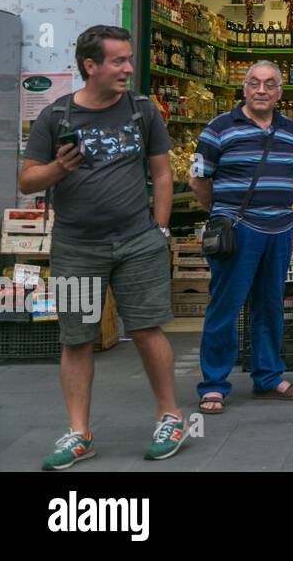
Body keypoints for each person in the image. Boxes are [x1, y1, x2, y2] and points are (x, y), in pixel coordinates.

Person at [20, 25, 188, 469]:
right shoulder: (56, 117)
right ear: (90, 66)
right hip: (78, 248)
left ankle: (170, 416)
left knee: (149, 328)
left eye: (129, 59)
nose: (128, 68)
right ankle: (79, 434)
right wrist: (58, 167)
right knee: (77, 338)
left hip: (138, 242)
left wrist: (160, 230)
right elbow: (26, 180)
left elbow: (163, 174)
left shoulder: (142, 111)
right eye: (118, 61)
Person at [190, 60, 293, 412]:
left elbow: (290, 177)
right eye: (254, 83)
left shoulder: (289, 131)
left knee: (271, 307)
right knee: (225, 307)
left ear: (279, 93)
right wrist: (223, 215)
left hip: (281, 230)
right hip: (239, 232)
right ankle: (213, 383)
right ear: (244, 88)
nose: (261, 90)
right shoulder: (218, 128)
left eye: (270, 85)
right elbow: (198, 180)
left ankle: (268, 376)